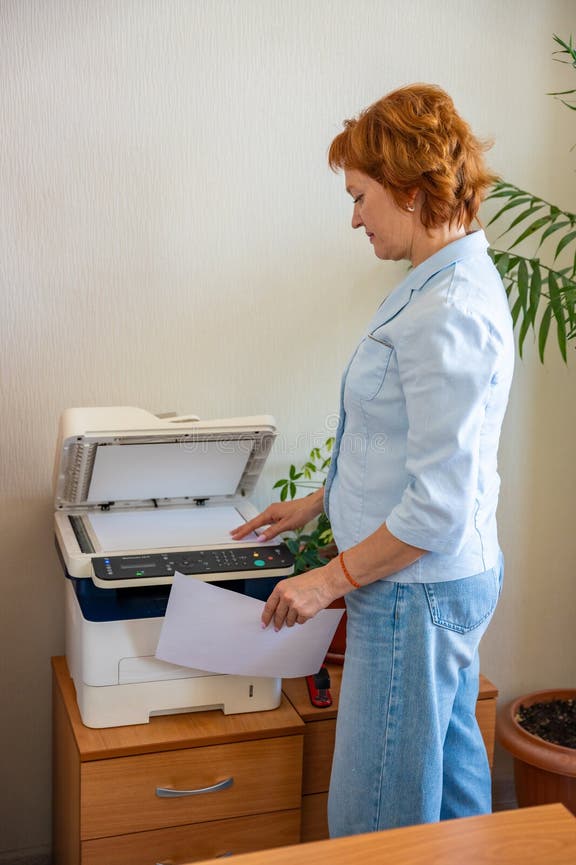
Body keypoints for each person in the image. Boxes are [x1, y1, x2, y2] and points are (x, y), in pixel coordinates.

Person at [231, 83, 514, 836]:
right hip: (436, 584)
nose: (354, 216)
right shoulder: (442, 282)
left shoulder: (446, 310)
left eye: (360, 196)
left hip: (409, 594)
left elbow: (436, 509)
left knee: (375, 824)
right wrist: (321, 500)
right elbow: (408, 441)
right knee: (452, 807)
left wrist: (325, 581)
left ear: (409, 190)